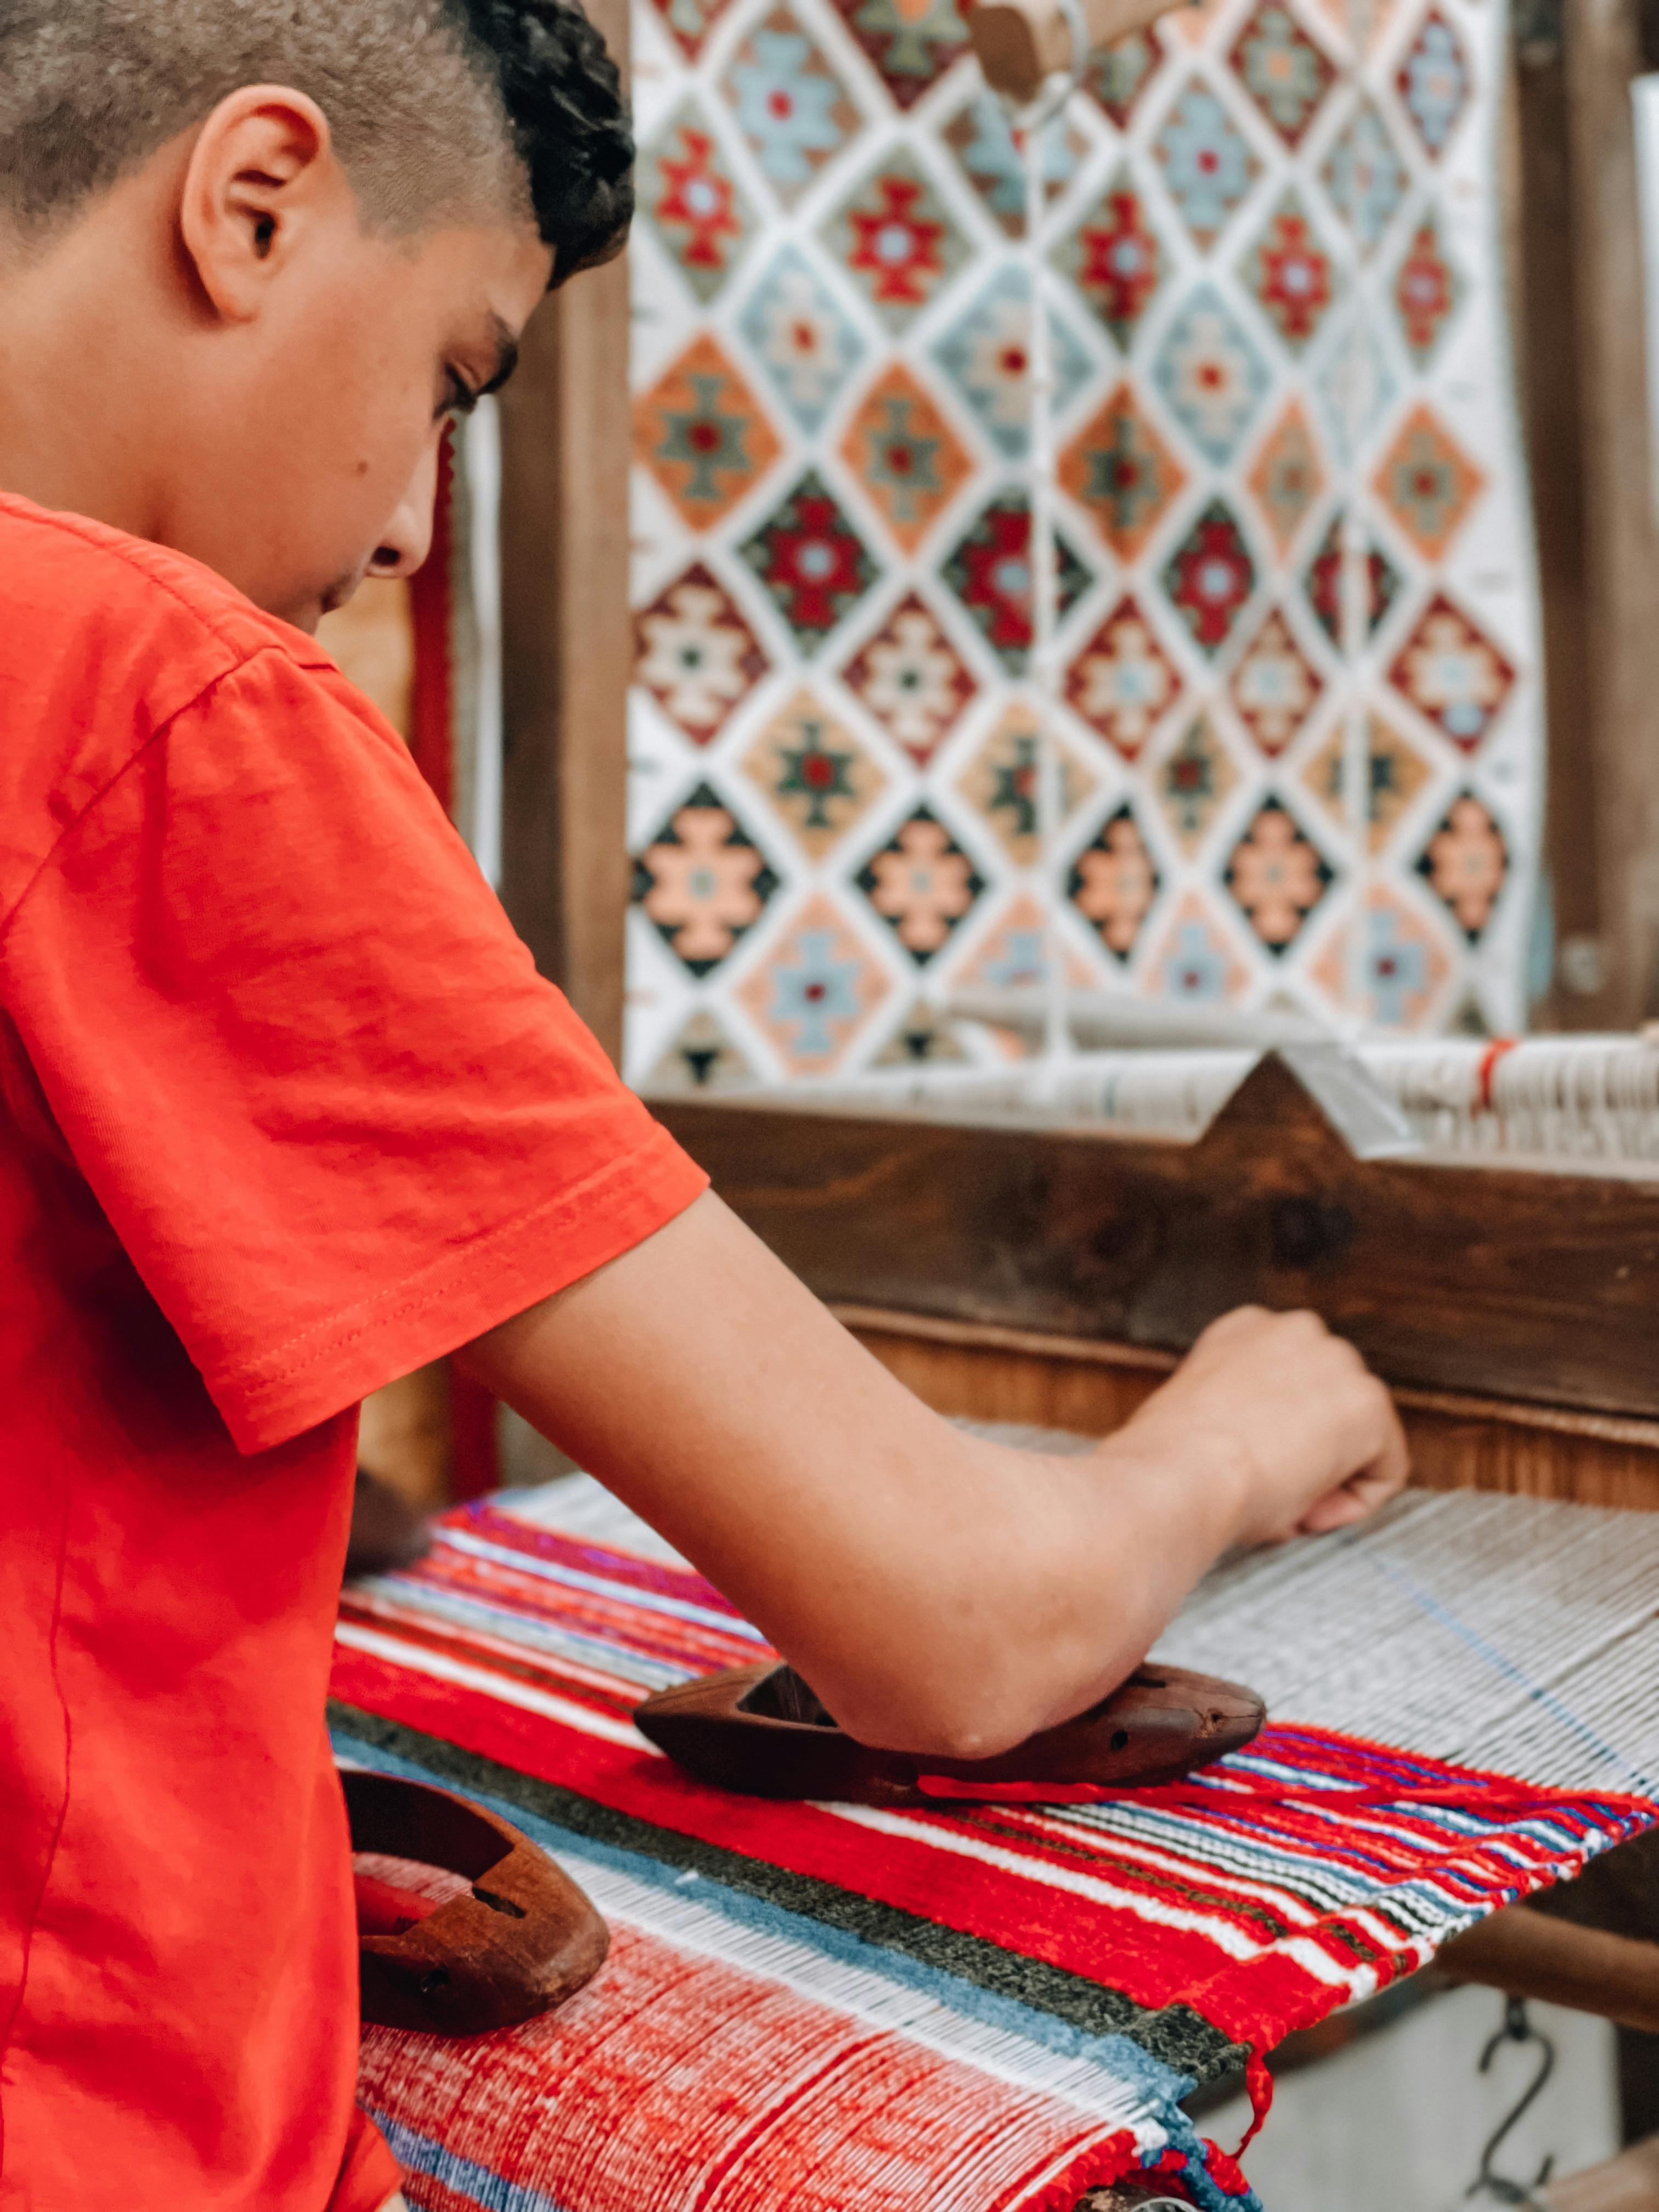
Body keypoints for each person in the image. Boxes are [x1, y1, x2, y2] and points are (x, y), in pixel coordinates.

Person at [0, 3, 1410, 2205]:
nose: (408, 526)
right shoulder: (157, 694)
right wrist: (1239, 1424)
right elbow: (950, 1635)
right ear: (251, 200)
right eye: (456, 379)